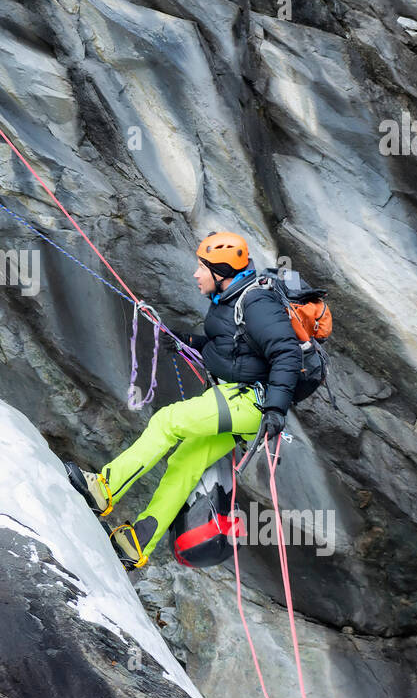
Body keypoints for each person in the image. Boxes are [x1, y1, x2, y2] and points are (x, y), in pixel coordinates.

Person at [66, 231, 303, 569]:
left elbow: (287, 353)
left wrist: (277, 408)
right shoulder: (232, 300)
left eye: (202, 267)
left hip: (253, 403)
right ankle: (137, 543)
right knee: (186, 463)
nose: (195, 274)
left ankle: (103, 488)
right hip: (244, 403)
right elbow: (233, 348)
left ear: (221, 272)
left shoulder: (255, 302)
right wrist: (187, 341)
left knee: (167, 421)